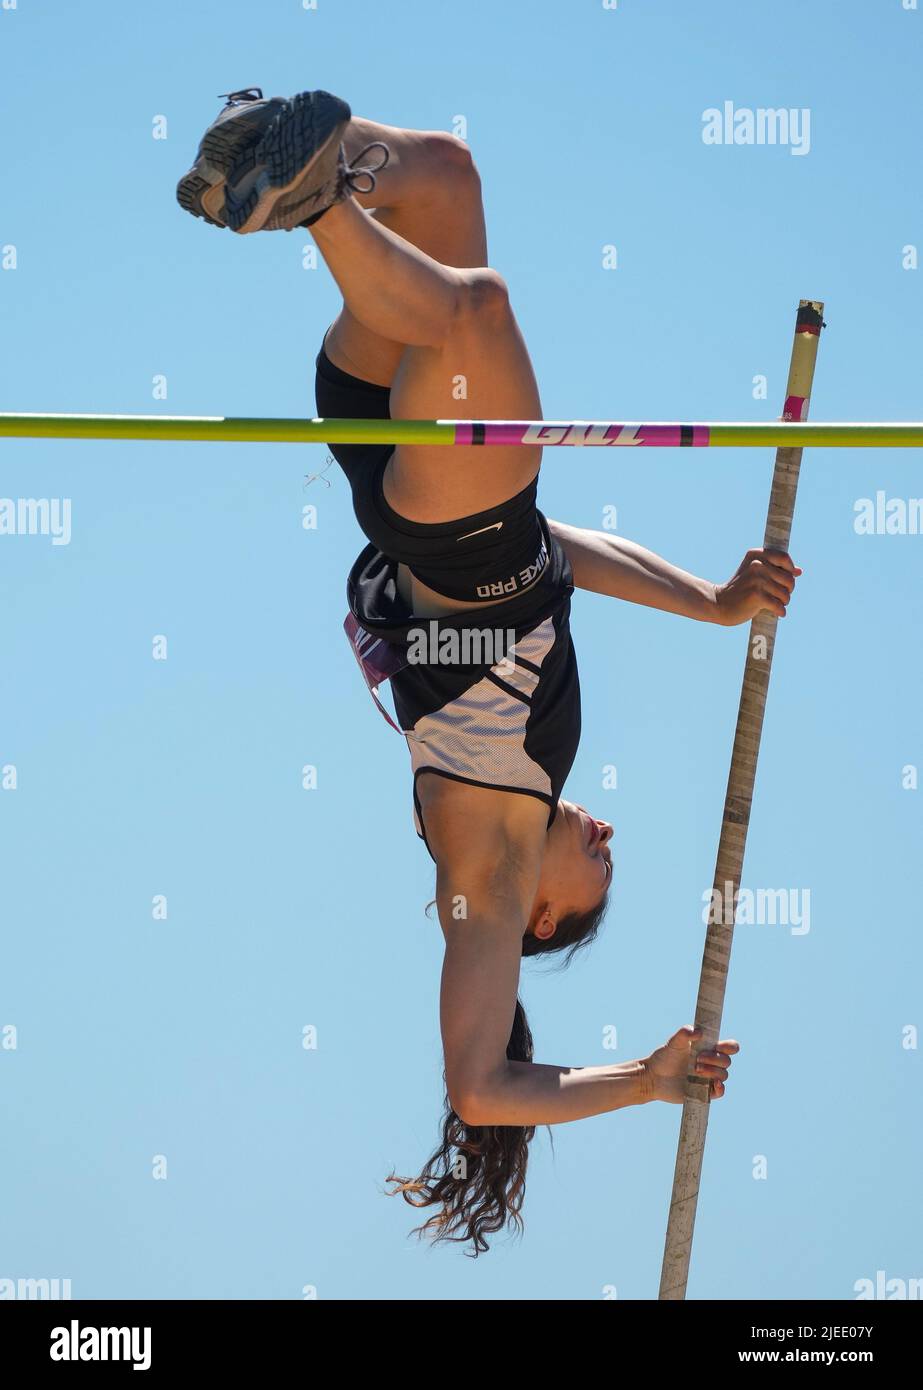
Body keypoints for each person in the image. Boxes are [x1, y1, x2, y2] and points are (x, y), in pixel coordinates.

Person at [178, 89, 799, 1254]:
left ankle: (310, 202)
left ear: (546, 913)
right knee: (448, 178)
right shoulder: (524, 783)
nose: (604, 837)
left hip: (456, 529)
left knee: (479, 311)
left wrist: (648, 1079)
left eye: (599, 875)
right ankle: (271, 172)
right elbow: (563, 559)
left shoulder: (486, 895)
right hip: (423, 481)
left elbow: (478, 1089)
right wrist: (714, 606)